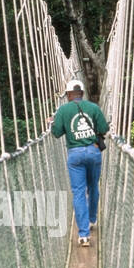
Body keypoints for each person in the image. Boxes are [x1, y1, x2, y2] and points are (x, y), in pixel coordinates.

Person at [49, 78, 109, 247]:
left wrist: (54, 122)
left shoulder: (62, 110)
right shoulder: (94, 108)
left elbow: (57, 133)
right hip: (93, 152)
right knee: (93, 187)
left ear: (68, 94)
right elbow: (104, 129)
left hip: (75, 156)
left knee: (79, 192)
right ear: (82, 93)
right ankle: (92, 219)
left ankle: (84, 235)